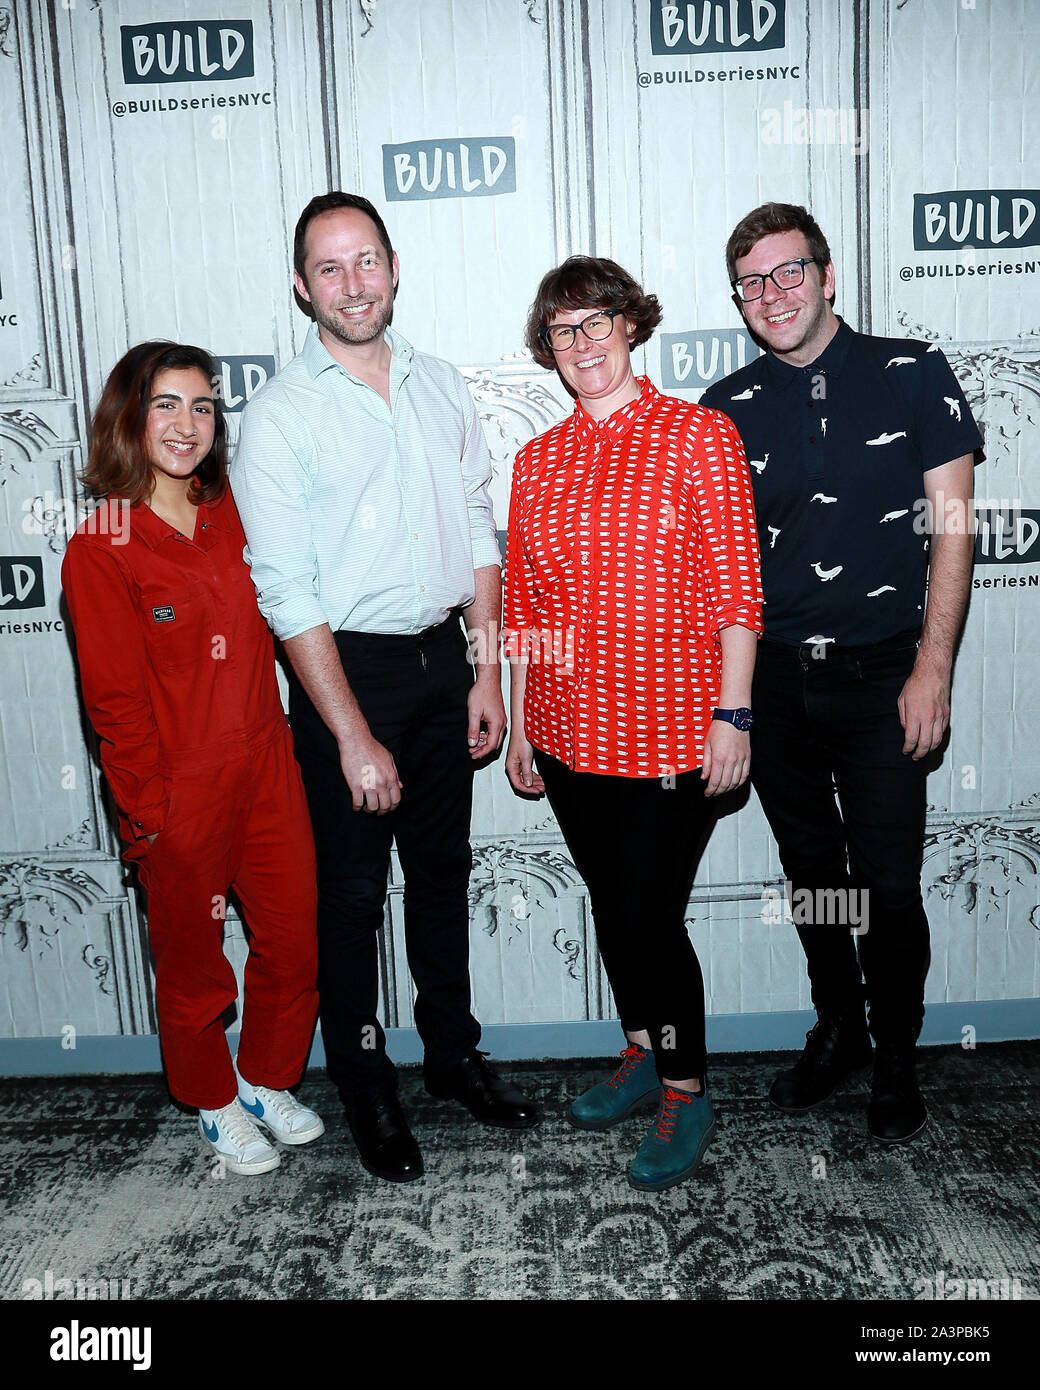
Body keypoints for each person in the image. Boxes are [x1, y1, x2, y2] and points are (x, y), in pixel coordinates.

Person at [231, 192, 539, 1185]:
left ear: (394, 267)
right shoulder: (280, 416)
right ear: (300, 286)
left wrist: (486, 667)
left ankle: (451, 1058)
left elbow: (480, 531)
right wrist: (353, 737)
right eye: (330, 268)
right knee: (352, 897)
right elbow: (285, 594)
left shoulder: (442, 384)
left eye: (366, 261)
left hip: (443, 661)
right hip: (343, 674)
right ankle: (364, 1082)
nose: (352, 283)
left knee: (442, 876)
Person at [701, 202, 980, 1143]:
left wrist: (932, 667)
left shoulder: (910, 372)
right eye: (751, 282)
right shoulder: (724, 409)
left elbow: (953, 528)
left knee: (889, 884)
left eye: (787, 273)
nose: (770, 295)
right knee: (815, 873)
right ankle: (841, 1031)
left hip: (885, 676)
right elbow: (714, 565)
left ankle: (897, 1059)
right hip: (776, 683)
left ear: (827, 276)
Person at [503, 256, 763, 1191]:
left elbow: (738, 587)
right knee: (616, 913)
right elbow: (527, 601)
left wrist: (733, 715)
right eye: (563, 331)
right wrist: (528, 720)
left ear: (631, 324)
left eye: (598, 321)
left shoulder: (698, 436)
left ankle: (687, 1091)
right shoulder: (537, 461)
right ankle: (642, 1050)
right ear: (549, 349)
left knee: (652, 920)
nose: (584, 344)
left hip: (675, 734)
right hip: (573, 736)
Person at [61, 342, 323, 1177]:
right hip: (177, 792)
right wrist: (151, 814)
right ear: (129, 419)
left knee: (293, 941)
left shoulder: (235, 511)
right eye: (166, 406)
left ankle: (264, 1081)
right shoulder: (101, 542)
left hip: (268, 769)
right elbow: (112, 701)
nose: (187, 424)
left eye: (203, 406)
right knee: (195, 964)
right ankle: (213, 1102)